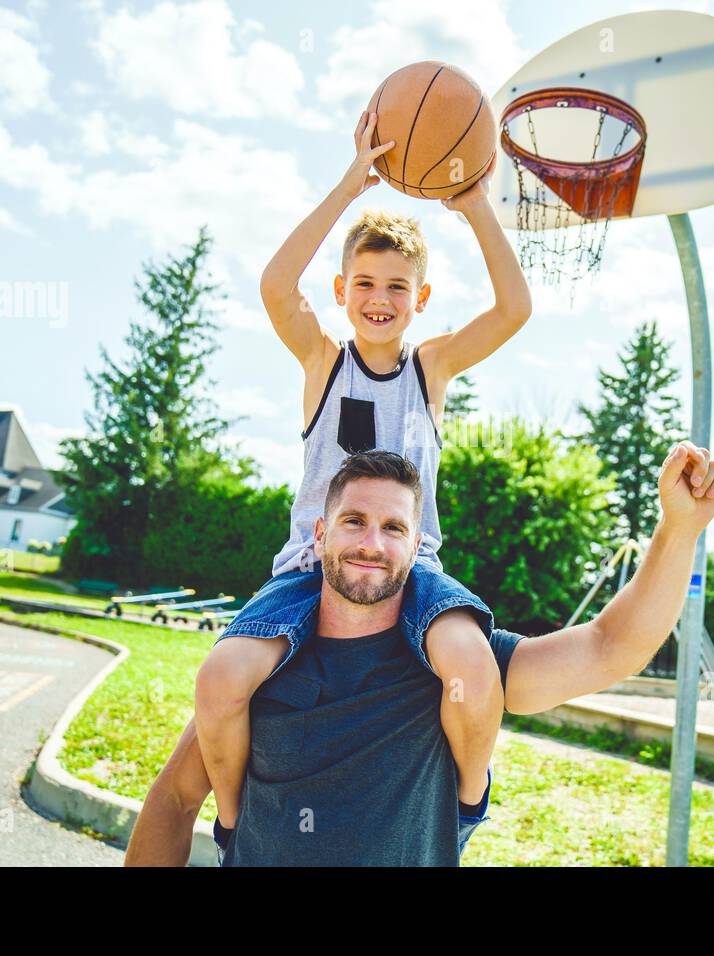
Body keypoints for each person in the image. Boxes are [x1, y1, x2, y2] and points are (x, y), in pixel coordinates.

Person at [125, 441, 714, 866]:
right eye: (354, 521)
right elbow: (176, 800)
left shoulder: (455, 664)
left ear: (417, 546)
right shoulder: (263, 662)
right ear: (319, 534)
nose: (371, 543)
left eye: (393, 528)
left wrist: (677, 530)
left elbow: (608, 648)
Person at [193, 108, 533, 843]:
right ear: (344, 289)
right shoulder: (324, 363)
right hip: (312, 572)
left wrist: (473, 204)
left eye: (399, 287)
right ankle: (231, 823)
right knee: (221, 681)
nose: (381, 299)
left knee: (473, 670)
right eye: (367, 283)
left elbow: (514, 309)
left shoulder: (431, 369)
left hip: (411, 574)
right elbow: (277, 283)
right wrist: (349, 186)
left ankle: (465, 805)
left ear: (422, 299)